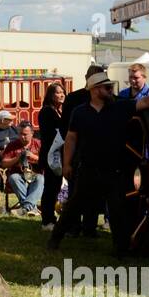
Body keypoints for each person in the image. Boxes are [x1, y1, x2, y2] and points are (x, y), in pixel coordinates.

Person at [48, 71, 149, 254]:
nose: (111, 90)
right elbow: (71, 139)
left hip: (114, 170)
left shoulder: (120, 107)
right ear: (95, 90)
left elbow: (145, 102)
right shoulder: (80, 112)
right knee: (73, 207)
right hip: (88, 169)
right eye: (107, 87)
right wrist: (67, 164)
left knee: (117, 210)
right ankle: (55, 239)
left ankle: (121, 249)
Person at [58, 64, 105, 237]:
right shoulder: (74, 98)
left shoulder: (74, 98)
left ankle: (85, 227)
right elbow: (65, 129)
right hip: (79, 152)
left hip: (89, 152)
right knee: (78, 192)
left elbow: (64, 129)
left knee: (87, 192)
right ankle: (80, 227)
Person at [37, 82, 67, 230]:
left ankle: (52, 219)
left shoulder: (60, 111)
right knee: (50, 188)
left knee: (55, 187)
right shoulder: (47, 112)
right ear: (50, 95)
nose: (61, 95)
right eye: (57, 92)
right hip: (51, 154)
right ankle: (47, 220)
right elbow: (51, 134)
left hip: (61, 154)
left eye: (63, 92)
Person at [2, 121, 43, 217]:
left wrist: (33, 156)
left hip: (35, 174)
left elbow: (46, 162)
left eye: (25, 134)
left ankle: (25, 208)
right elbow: (4, 163)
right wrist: (17, 158)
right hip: (19, 174)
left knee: (41, 179)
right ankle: (31, 208)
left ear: (32, 133)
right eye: (20, 134)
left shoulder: (39, 144)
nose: (22, 137)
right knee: (13, 178)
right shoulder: (12, 145)